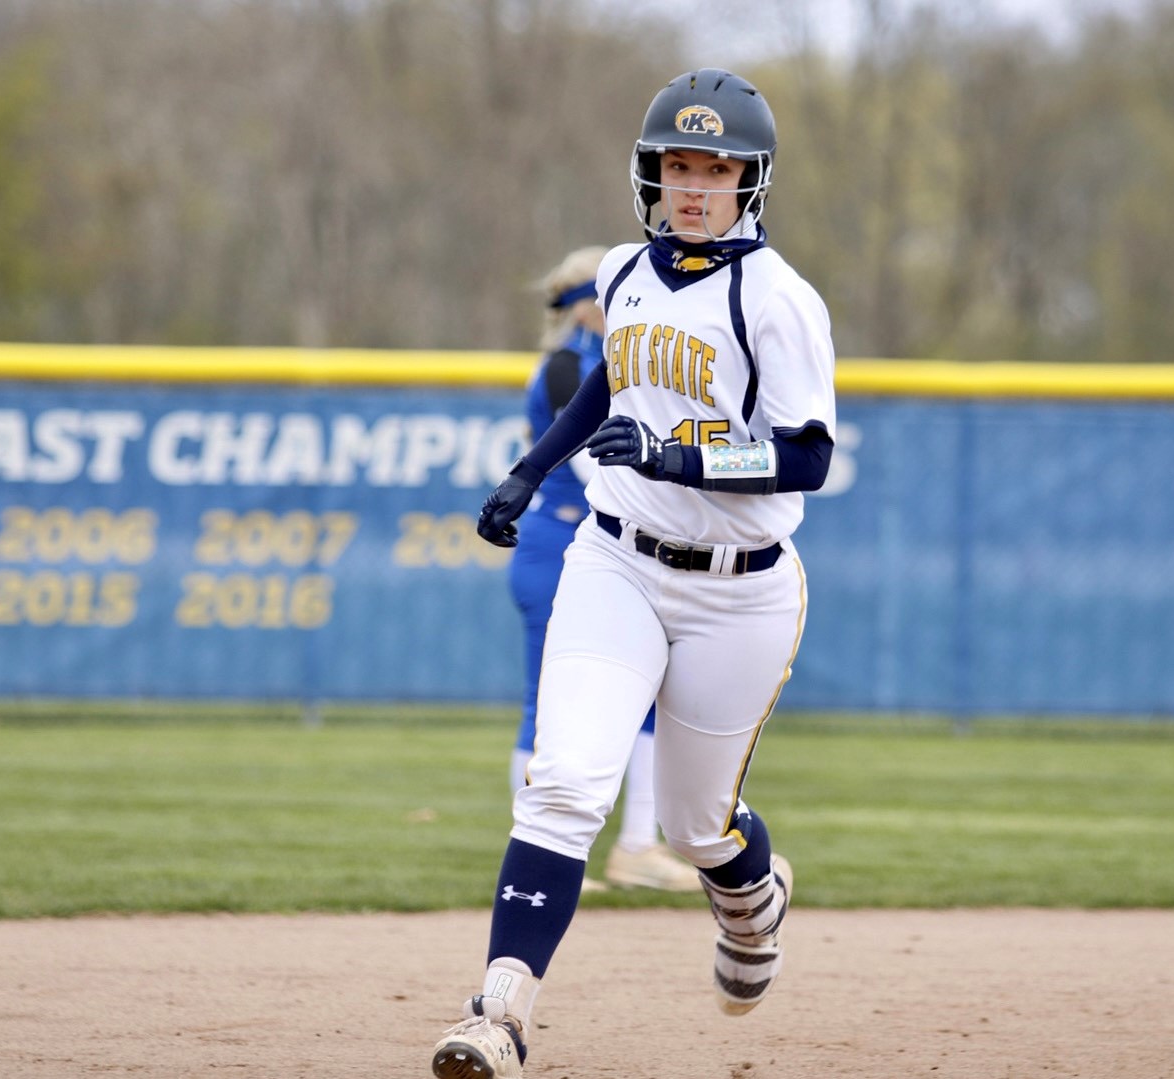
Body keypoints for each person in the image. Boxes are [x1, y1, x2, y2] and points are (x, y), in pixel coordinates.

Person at [434, 68, 837, 1078]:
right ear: (648, 173)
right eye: (677, 166)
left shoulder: (779, 300)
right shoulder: (622, 272)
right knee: (566, 782)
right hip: (615, 559)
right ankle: (498, 1014)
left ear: (751, 182)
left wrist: (678, 457)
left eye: (716, 170)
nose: (693, 187)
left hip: (741, 588)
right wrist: (530, 471)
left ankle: (752, 902)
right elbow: (610, 383)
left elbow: (807, 455)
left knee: (698, 825)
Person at [508, 246, 701, 895]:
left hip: (614, 545)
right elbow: (594, 466)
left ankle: (637, 847)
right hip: (561, 539)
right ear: (587, 301)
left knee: (647, 699)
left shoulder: (620, 359)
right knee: (547, 703)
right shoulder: (569, 365)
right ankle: (535, 850)